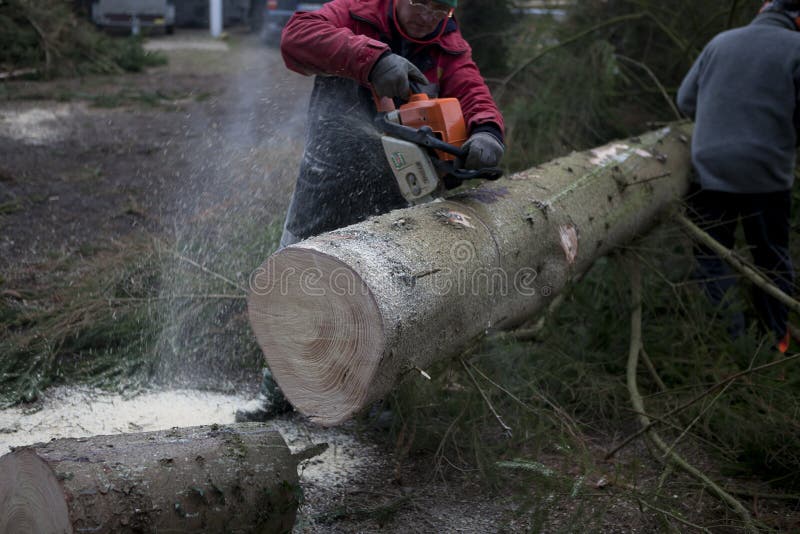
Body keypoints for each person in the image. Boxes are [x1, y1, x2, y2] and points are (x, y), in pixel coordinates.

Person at [236, 0, 506, 421]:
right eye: (420, 3)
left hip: (398, 182)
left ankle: (372, 395)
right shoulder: (357, 13)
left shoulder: (447, 42)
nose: (428, 15)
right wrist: (374, 59)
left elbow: (470, 89)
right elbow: (297, 36)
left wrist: (487, 131)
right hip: (329, 172)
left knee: (388, 286)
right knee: (298, 276)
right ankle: (279, 389)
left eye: (441, 8)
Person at [676, 0, 798, 352]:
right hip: (766, 173)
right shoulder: (796, 49)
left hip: (709, 168)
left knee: (713, 258)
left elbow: (685, 101)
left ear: (763, 11)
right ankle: (775, 341)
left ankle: (727, 343)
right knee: (770, 258)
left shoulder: (720, 41)